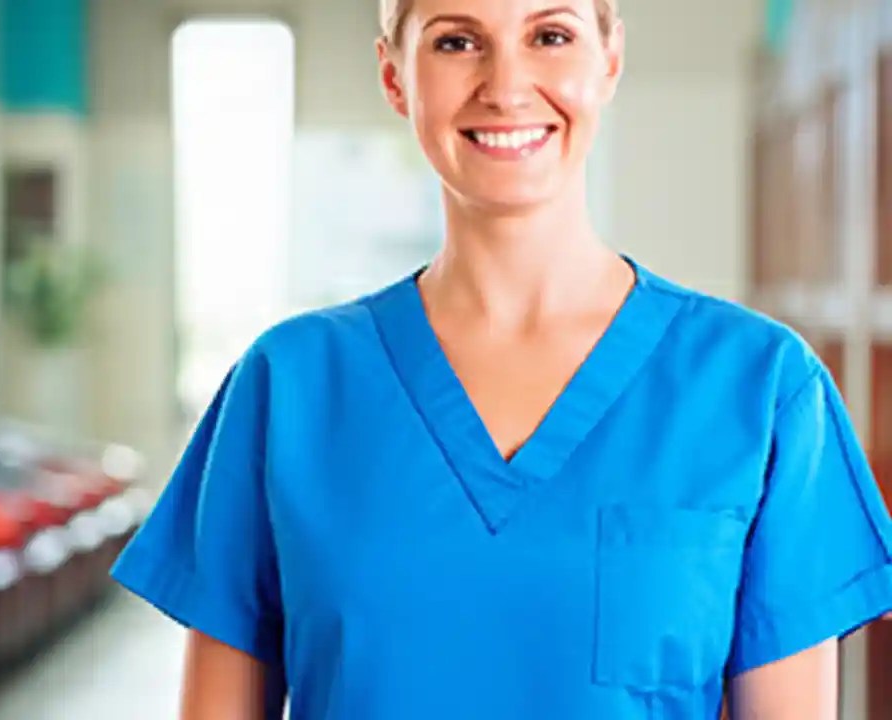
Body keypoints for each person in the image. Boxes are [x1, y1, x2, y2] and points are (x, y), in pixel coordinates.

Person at [109, 0, 892, 717]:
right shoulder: (289, 387)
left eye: (550, 36)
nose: (506, 86)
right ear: (393, 73)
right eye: (457, 42)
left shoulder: (758, 389)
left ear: (609, 57)